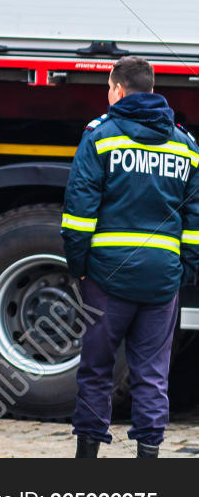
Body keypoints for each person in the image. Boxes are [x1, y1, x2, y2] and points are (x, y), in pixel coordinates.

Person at [63, 55, 199, 458]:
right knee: (152, 374)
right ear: (153, 90)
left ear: (118, 90)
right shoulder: (186, 145)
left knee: (96, 370)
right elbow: (194, 218)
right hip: (162, 279)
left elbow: (78, 211)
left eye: (108, 88)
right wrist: (184, 270)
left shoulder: (101, 136)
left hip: (107, 276)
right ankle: (149, 459)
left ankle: (87, 458)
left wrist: (79, 267)